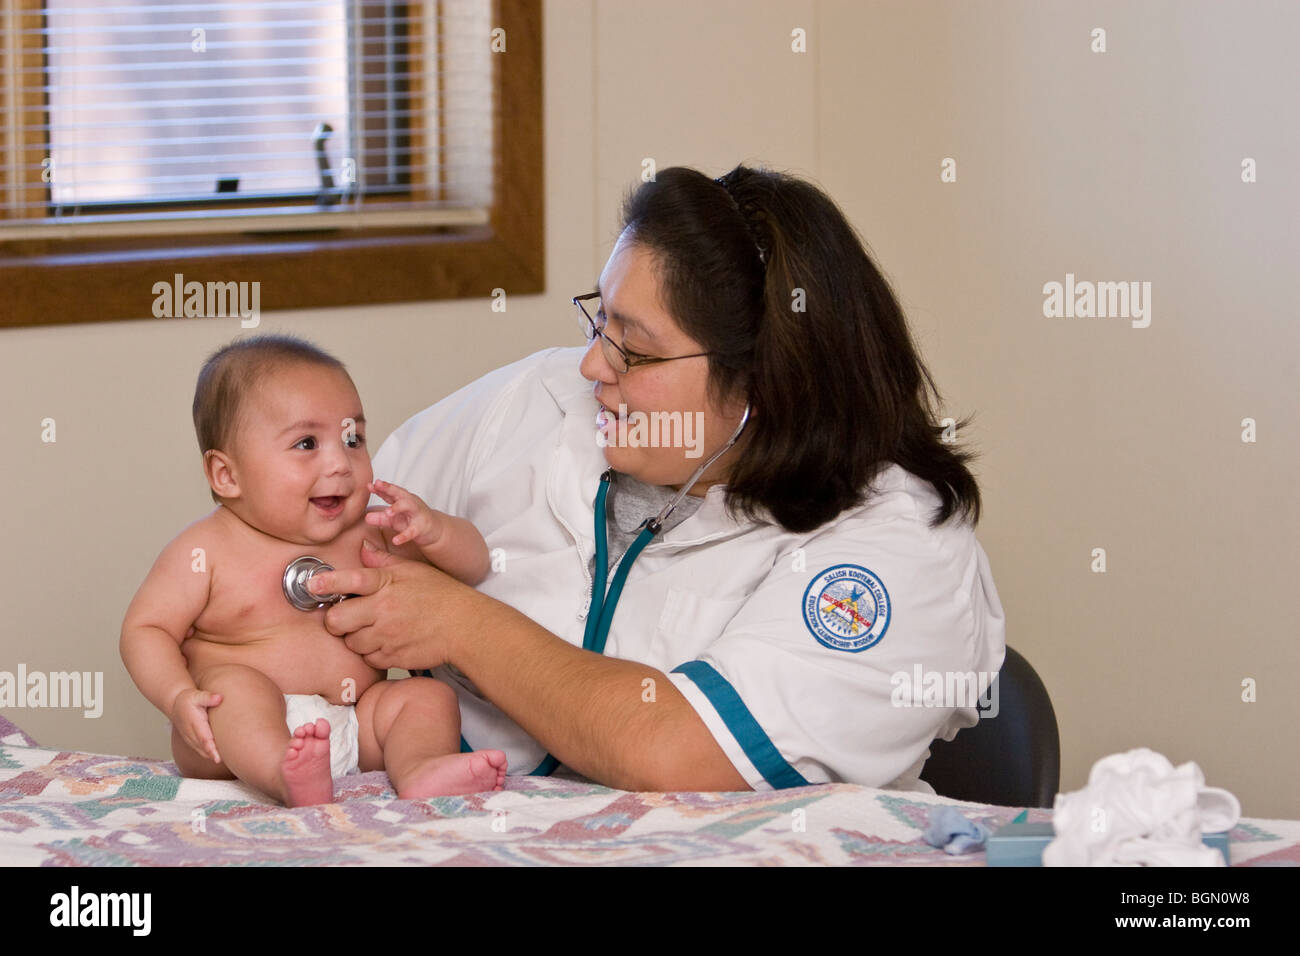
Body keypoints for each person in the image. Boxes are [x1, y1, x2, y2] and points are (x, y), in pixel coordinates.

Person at [307, 164, 1007, 793]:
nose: (591, 368)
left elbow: (673, 751)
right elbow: (309, 527)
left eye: (635, 351)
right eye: (600, 321)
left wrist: (457, 623)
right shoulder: (540, 401)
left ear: (766, 386)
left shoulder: (898, 548)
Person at [120, 336, 507, 806]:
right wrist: (178, 695)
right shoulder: (207, 549)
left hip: (354, 724)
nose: (339, 463)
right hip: (230, 741)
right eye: (306, 443)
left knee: (425, 699)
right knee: (233, 689)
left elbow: (474, 566)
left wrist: (435, 531)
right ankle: (284, 776)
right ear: (227, 475)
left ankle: (420, 769)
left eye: (352, 439)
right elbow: (146, 629)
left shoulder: (370, 532)